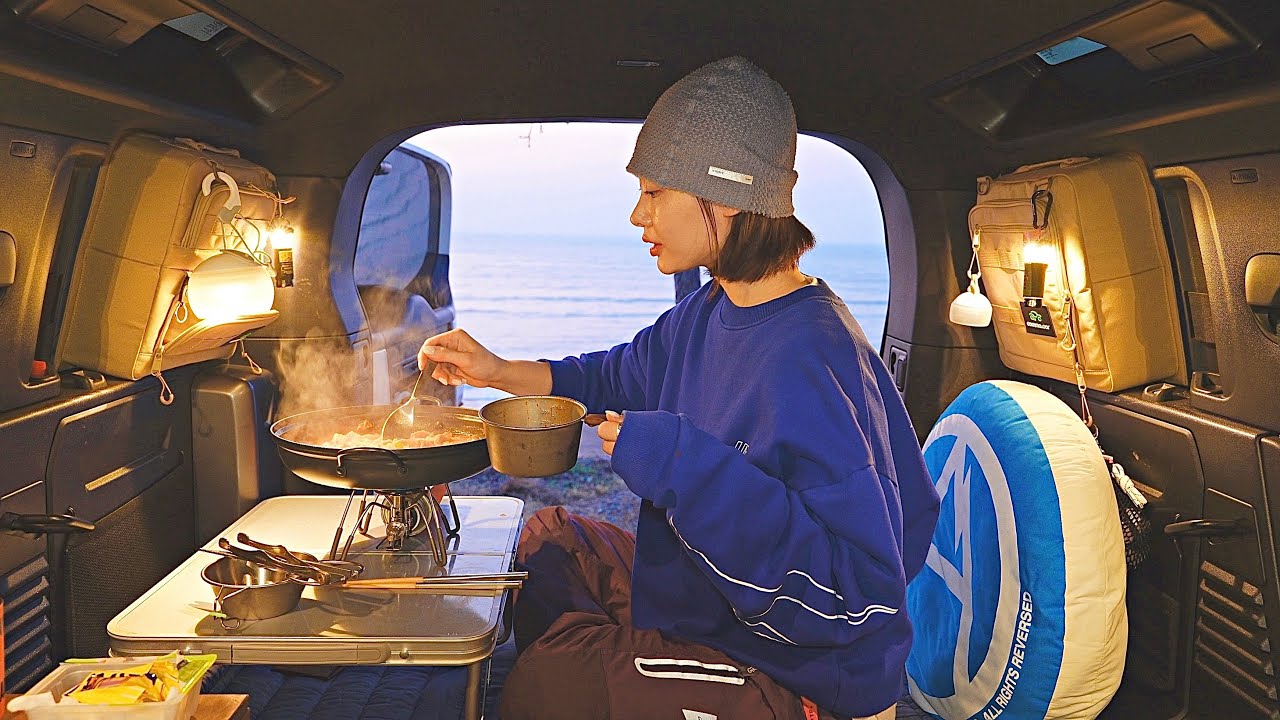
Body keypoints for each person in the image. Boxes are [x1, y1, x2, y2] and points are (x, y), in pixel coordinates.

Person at [418, 56, 940, 720]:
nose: (638, 214)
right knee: (550, 538)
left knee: (545, 685)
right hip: (710, 602)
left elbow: (855, 598)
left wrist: (680, 466)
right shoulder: (710, 310)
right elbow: (612, 375)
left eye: (655, 192)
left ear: (723, 194)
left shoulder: (813, 357)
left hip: (798, 673)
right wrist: (496, 370)